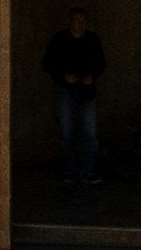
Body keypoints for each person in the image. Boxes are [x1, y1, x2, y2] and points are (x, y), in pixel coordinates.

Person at [44, 10, 108, 174]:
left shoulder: (92, 39)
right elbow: (47, 63)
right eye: (77, 20)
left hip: (87, 91)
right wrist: (64, 77)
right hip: (66, 91)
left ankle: (88, 171)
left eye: (83, 21)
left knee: (91, 134)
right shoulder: (59, 40)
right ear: (69, 21)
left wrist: (91, 76)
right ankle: (69, 171)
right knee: (67, 134)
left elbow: (101, 62)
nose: (81, 24)